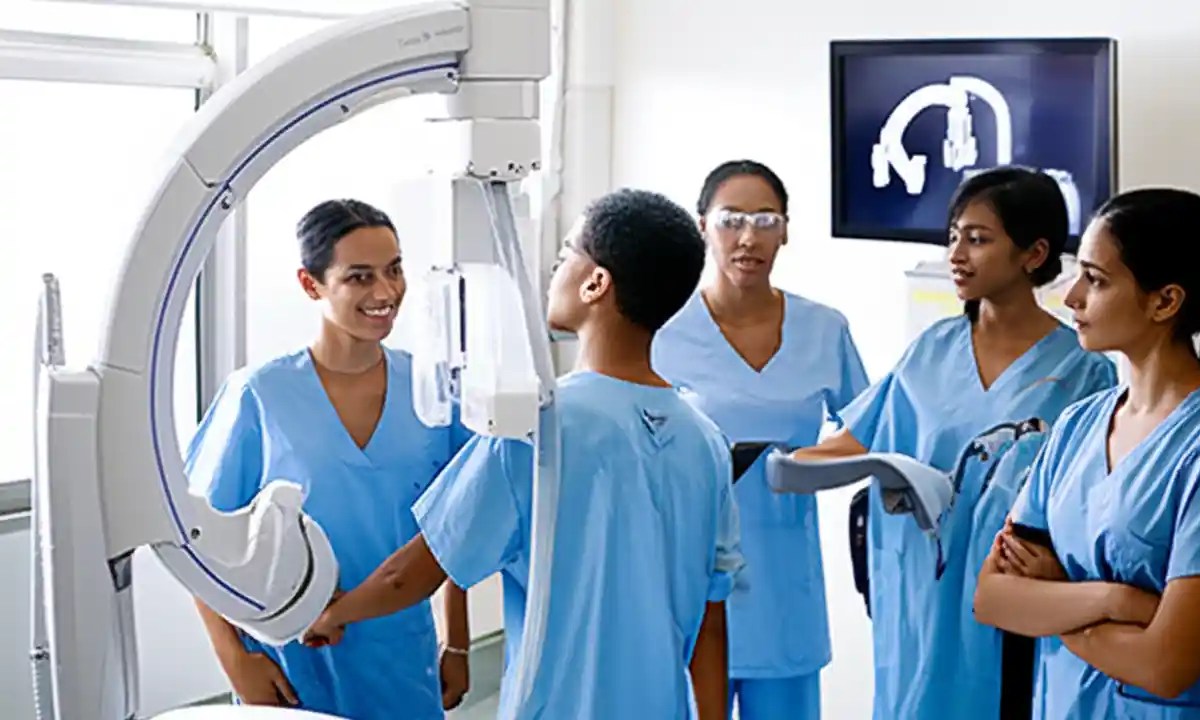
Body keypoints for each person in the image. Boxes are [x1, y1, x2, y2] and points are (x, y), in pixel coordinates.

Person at [301, 188, 744, 720]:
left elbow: (413, 573)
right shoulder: (705, 439)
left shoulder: (539, 430)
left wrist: (334, 614)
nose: (551, 271)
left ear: (594, 283)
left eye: (563, 256)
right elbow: (711, 618)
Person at [793, 166, 1118, 719]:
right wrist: (784, 463)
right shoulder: (931, 349)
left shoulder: (1081, 371)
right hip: (919, 588)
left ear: (1033, 253)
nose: (957, 254)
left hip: (1016, 597)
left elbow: (1092, 502)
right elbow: (855, 441)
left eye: (978, 239)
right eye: (953, 237)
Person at [973, 188, 1200, 719]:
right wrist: (1116, 601)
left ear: (1165, 301)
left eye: (1095, 279)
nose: (1071, 297)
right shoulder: (1077, 427)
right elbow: (993, 599)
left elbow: (1167, 663)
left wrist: (1053, 603)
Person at [184, 199, 474, 719]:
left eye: (394, 270)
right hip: (290, 667)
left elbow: (458, 528)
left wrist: (457, 641)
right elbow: (196, 542)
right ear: (310, 283)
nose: (385, 292)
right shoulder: (259, 395)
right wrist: (236, 661)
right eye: (359, 277)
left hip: (399, 658)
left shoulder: (432, 391)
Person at [651, 159, 869, 719]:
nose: (749, 238)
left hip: (784, 589)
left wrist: (802, 464)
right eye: (731, 219)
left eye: (766, 220)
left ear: (786, 230)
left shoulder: (825, 329)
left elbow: (867, 431)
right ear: (702, 226)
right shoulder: (661, 332)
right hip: (687, 581)